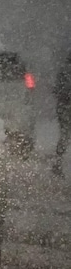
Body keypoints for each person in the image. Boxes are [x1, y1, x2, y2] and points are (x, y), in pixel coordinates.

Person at [54, 49, 71, 177]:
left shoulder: (63, 71)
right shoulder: (65, 72)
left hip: (64, 107)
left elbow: (57, 89)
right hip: (65, 107)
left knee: (64, 136)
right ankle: (57, 164)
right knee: (64, 136)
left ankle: (57, 164)